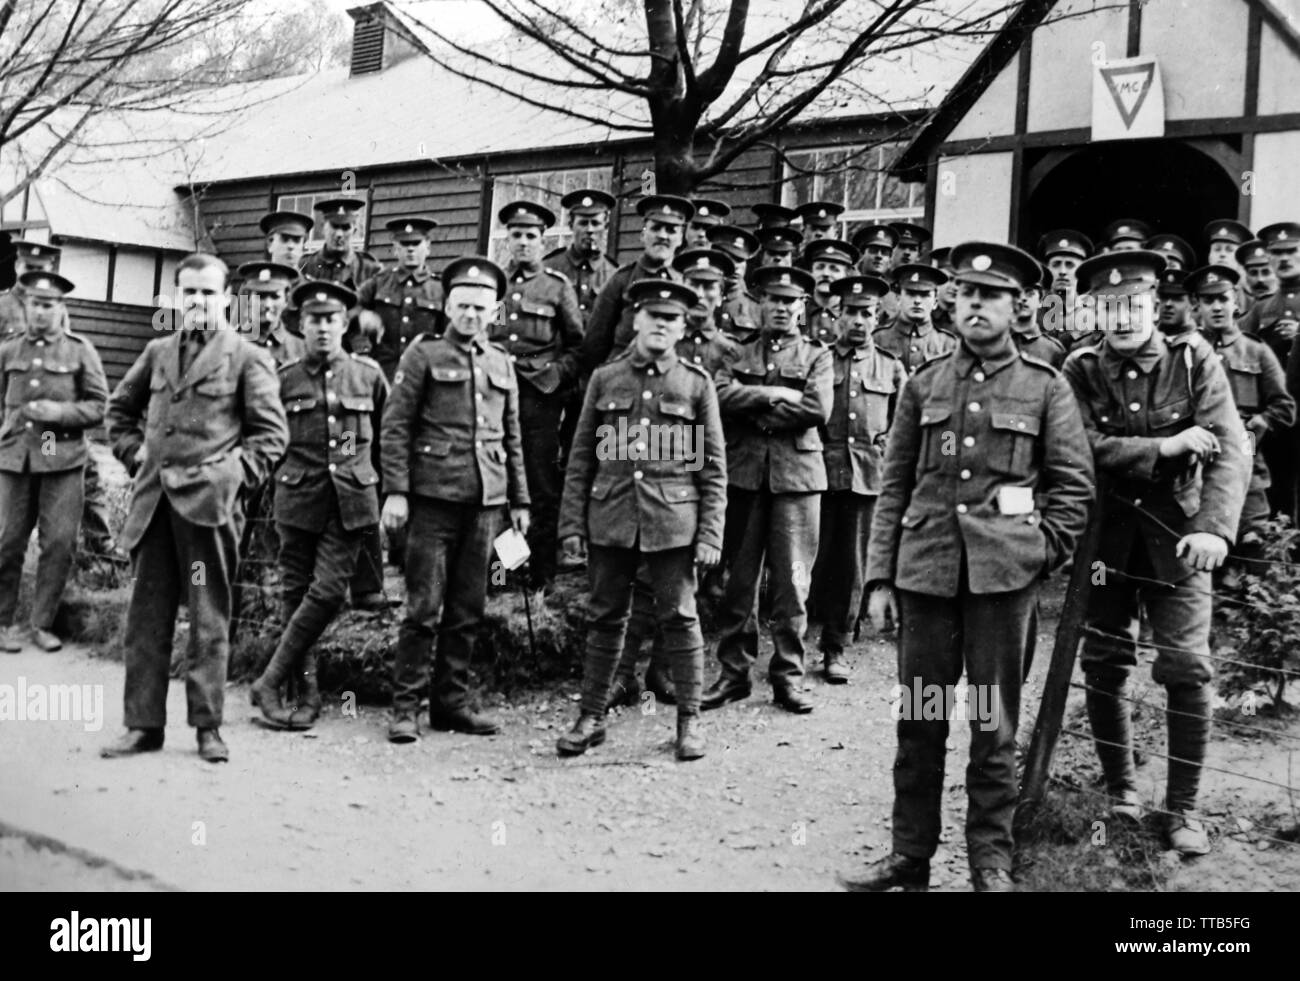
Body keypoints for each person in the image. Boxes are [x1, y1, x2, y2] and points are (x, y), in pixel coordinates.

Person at [841, 242, 1094, 893]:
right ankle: (910, 857)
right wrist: (879, 578)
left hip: (999, 588)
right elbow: (894, 486)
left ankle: (990, 860)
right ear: (953, 303)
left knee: (992, 724)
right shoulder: (924, 383)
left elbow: (1072, 489)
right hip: (925, 580)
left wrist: (1036, 554)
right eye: (968, 294)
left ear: (1019, 306)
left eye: (993, 296)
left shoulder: (1044, 386)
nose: (978, 305)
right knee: (919, 720)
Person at [1063, 249, 1251, 857]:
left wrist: (1216, 530)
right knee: (1105, 663)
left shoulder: (1193, 359)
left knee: (1187, 669)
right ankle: (1121, 791)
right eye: (1108, 306)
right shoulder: (1081, 368)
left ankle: (1185, 808)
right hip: (1105, 541)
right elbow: (1076, 447)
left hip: (1180, 539)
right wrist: (1163, 448)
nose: (1122, 318)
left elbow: (1230, 445)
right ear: (1096, 308)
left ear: (1155, 305)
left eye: (1134, 305)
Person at [102, 253, 289, 764]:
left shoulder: (247, 357)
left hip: (209, 509)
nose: (199, 302)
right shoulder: (158, 351)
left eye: (208, 293)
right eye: (190, 293)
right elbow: (118, 410)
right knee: (146, 619)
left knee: (209, 620)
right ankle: (142, 725)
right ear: (177, 298)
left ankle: (208, 727)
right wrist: (132, 451)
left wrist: (229, 480)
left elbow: (271, 439)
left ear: (226, 298)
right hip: (155, 505)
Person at [556, 279, 726, 760]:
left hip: (673, 521)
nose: (660, 325)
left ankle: (689, 723)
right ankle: (591, 716)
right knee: (606, 617)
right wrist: (571, 525)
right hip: (611, 515)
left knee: (680, 617)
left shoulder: (695, 384)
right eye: (652, 316)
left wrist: (711, 532)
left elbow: (711, 468)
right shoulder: (606, 379)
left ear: (681, 328)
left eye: (670, 319)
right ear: (636, 320)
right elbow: (581, 457)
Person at [381, 257, 529, 742]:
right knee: (423, 607)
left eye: (480, 308)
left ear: (494, 311)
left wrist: (520, 502)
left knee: (468, 607)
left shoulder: (501, 363)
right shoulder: (422, 356)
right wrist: (397, 491)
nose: (471, 315)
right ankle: (406, 708)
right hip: (432, 499)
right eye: (463, 305)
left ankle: (451, 704)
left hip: (486, 502)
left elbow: (513, 439)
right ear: (447, 305)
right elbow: (396, 427)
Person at [247, 280, 388, 729]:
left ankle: (269, 679)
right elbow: (265, 438)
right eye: (314, 320)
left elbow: (388, 438)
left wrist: (387, 493)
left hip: (351, 500)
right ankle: (305, 694)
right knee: (295, 593)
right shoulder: (283, 378)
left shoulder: (368, 375)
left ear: (344, 324)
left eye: (331, 320)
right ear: (301, 325)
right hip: (298, 497)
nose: (323, 328)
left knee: (328, 590)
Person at [604, 247, 741, 707]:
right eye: (695, 285)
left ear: (722, 295)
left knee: (686, 591)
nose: (703, 295)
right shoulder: (647, 350)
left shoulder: (728, 350)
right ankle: (623, 674)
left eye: (711, 287)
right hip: (645, 484)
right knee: (638, 585)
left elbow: (719, 431)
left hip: (704, 480)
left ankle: (665, 672)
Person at [704, 265, 832, 714]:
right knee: (739, 582)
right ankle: (733, 673)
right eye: (773, 300)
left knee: (793, 583)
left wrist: (751, 404)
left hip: (797, 482)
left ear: (803, 307)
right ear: (759, 304)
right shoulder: (737, 351)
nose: (781, 308)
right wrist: (774, 394)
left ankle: (788, 675)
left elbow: (817, 408)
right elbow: (718, 396)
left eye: (790, 301)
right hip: (744, 479)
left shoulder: (818, 355)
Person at [0, 272, 108, 653]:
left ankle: (41, 624)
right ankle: (2, 622)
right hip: (14, 459)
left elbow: (99, 406)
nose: (40, 313)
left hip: (58, 456)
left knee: (58, 543)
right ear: (25, 305)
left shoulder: (81, 351)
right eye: (34, 304)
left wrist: (60, 412)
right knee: (6, 541)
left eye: (48, 305)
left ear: (61, 308)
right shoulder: (9, 351)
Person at [807, 274, 903, 683]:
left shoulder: (890, 366)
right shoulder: (820, 358)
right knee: (814, 558)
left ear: (877, 316)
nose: (859, 321)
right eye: (851, 312)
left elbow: (904, 424)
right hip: (819, 473)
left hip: (866, 475)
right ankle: (797, 640)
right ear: (837, 315)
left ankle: (836, 646)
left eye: (867, 313)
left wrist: (885, 447)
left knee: (852, 565)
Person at [489, 201, 584, 589]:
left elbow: (579, 347)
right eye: (516, 235)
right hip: (494, 390)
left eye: (531, 236)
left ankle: (541, 574)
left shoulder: (557, 287)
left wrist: (554, 377)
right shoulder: (493, 282)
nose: (523, 242)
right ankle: (500, 572)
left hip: (537, 396)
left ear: (543, 242)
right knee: (496, 479)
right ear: (508, 239)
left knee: (539, 481)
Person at [1188, 264, 1294, 585]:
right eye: (1208, 301)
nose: (1217, 307)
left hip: (1247, 462)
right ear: (1197, 306)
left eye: (1223, 298)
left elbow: (1284, 407)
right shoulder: (1185, 350)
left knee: (1253, 541)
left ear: (1236, 301)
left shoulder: (1256, 350)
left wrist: (1251, 432)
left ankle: (1252, 617)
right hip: (1196, 460)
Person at [579, 195, 691, 370]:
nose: (663, 235)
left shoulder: (687, 283)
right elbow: (595, 342)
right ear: (643, 235)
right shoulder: (621, 280)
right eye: (656, 228)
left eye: (671, 230)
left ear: (681, 238)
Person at [1245, 222, 1300, 523]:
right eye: (1277, 253)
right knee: (1272, 490)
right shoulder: (1260, 308)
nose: (1284, 259)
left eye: (1291, 251)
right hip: (1274, 420)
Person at [356, 216, 446, 381]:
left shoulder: (440, 289)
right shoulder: (379, 283)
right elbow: (349, 307)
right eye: (404, 244)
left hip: (424, 376)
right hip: (383, 375)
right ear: (395, 249)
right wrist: (362, 315)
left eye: (416, 243)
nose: (410, 249)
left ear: (428, 247)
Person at [872, 263, 956, 372]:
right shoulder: (877, 339)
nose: (917, 301)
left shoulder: (948, 344)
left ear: (935, 302)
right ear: (898, 298)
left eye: (925, 294)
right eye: (911, 294)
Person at [298, 198, 381, 288]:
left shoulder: (370, 269)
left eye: (345, 228)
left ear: (354, 231)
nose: (339, 234)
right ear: (322, 228)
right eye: (334, 226)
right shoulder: (305, 266)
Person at [236, 261, 304, 367]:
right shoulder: (229, 345)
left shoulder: (301, 348)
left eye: (275, 296)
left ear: (286, 300)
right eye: (260, 296)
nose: (267, 304)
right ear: (248, 299)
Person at [707, 224, 761, 341]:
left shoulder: (756, 308)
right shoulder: (698, 300)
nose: (736, 266)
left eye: (740, 260)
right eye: (730, 258)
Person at [801, 238, 859, 346]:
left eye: (834, 269)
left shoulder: (852, 315)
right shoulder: (800, 312)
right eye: (820, 267)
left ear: (846, 275)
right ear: (811, 272)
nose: (826, 273)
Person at [1010, 264, 1067, 368]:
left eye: (1030, 293)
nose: (1023, 298)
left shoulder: (1053, 349)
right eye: (1018, 293)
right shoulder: (995, 341)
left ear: (1040, 301)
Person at [1155, 269, 1197, 338]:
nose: (1168, 304)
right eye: (1164, 297)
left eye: (1176, 299)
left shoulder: (1199, 343)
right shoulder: (1147, 337)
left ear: (1193, 303)